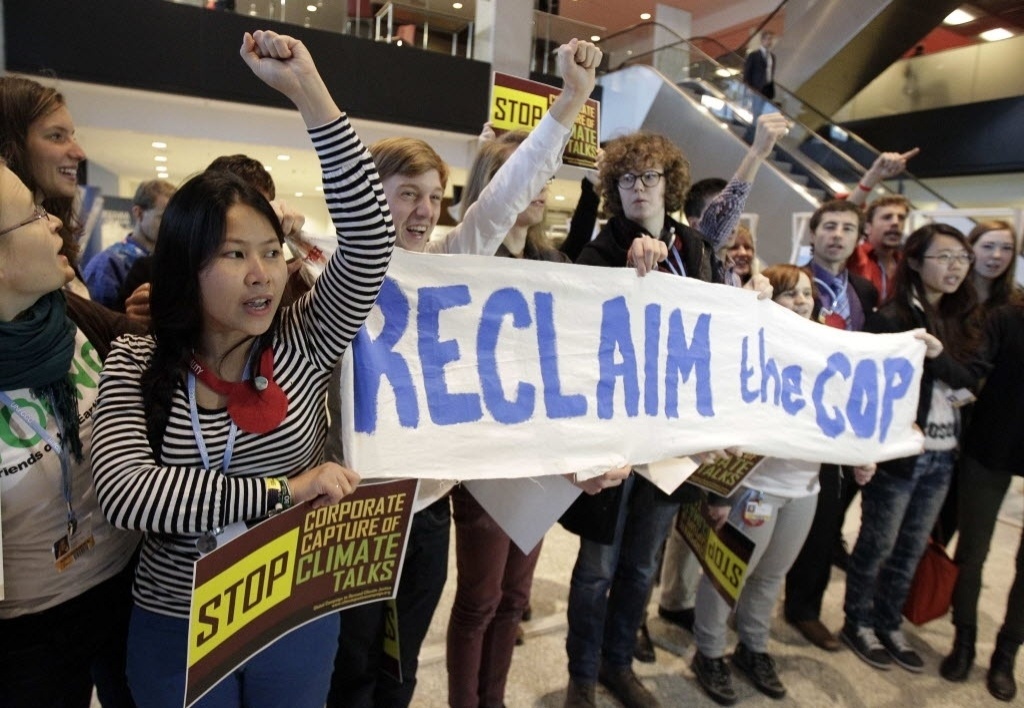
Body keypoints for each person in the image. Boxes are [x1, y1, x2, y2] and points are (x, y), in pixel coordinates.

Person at [90, 30, 395, 707]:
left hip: (292, 608)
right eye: (233, 255)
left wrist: (308, 90)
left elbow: (371, 237)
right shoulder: (138, 360)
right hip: (177, 618)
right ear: (185, 264)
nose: (262, 275)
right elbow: (127, 493)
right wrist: (286, 491)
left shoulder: (303, 340)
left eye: (271, 251)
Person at [325, 38, 604, 708]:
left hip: (424, 509)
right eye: (407, 195)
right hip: (356, 506)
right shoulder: (335, 274)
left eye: (435, 196)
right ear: (370, 195)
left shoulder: (452, 258)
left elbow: (504, 197)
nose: (425, 211)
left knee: (402, 659)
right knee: (350, 659)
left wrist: (569, 101)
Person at [690, 264, 875, 706]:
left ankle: (752, 648)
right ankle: (709, 652)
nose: (801, 300)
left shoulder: (828, 350)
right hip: (752, 487)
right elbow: (722, 420)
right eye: (789, 293)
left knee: (771, 577)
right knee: (727, 576)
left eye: (807, 293)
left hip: (804, 488)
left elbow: (844, 413)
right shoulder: (751, 348)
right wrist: (720, 493)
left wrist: (860, 455)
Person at [0, 161, 141, 707]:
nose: (54, 222)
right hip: (30, 634)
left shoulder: (67, 314)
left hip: (126, 581)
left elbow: (166, 348)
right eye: (32, 215)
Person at [445, 130, 572, 708]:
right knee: (479, 599)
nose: (541, 186)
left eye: (545, 173)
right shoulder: (467, 258)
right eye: (526, 172)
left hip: (540, 453)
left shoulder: (558, 262)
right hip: (484, 454)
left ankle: (492, 700)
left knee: (515, 597)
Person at [841, 223, 982, 674]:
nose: (955, 267)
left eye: (962, 258)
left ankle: (889, 622)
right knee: (877, 543)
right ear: (917, 263)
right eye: (944, 257)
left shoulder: (966, 318)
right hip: (900, 454)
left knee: (913, 546)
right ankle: (858, 621)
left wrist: (940, 358)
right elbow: (873, 392)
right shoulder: (894, 317)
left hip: (944, 453)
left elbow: (971, 382)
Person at [783, 199, 878, 652]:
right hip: (794, 413)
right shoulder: (790, 282)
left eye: (847, 228)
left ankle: (805, 607)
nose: (837, 235)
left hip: (839, 420)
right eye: (829, 226)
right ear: (813, 233)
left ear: (859, 239)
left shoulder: (863, 289)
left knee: (827, 518)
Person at [940, 223, 1022, 701]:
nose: (996, 255)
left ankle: (1007, 651)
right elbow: (972, 375)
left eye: (1005, 249)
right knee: (972, 552)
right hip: (990, 445)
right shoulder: (1005, 316)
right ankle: (965, 638)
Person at [0, 75, 89, 295]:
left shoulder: (59, 246)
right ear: (11, 143)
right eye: (57, 136)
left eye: (72, 136)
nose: (79, 153)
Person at [83, 179, 175, 309]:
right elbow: (98, 320)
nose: (170, 225)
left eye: (173, 218)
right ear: (138, 213)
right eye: (162, 217)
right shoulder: (106, 263)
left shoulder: (169, 260)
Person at [847, 195, 910, 302]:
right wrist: (871, 178)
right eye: (887, 217)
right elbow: (845, 213)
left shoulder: (905, 262)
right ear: (867, 227)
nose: (895, 223)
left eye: (901, 218)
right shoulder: (855, 255)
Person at [742, 30, 777, 101]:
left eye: (771, 39)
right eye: (769, 39)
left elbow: (770, 72)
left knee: (767, 110)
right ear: (762, 40)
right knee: (757, 109)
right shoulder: (753, 55)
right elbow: (747, 72)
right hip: (757, 88)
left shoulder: (772, 56)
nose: (770, 41)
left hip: (769, 88)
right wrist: (748, 87)